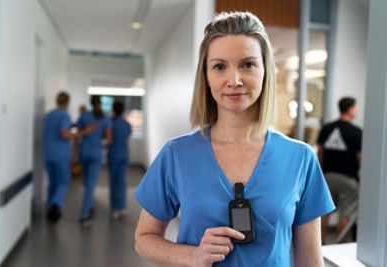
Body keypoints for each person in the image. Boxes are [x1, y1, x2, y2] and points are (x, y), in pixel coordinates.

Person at [134, 12, 335, 266]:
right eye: (219, 66)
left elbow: (309, 260)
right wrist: (193, 255)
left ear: (265, 71)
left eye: (248, 64)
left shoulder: (301, 159)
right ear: (206, 77)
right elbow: (144, 238)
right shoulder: (176, 155)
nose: (234, 80)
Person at [317, 97, 362, 243]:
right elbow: (359, 158)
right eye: (355, 107)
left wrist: (321, 174)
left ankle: (321, 245)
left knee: (324, 211)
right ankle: (339, 246)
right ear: (350, 109)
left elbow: (320, 153)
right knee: (347, 213)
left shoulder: (327, 128)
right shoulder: (356, 132)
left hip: (328, 176)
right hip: (348, 178)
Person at [43, 92, 78, 223]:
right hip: (60, 155)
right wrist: (78, 134)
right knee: (64, 181)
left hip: (48, 154)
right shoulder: (64, 115)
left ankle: (49, 209)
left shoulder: (49, 115)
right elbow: (64, 134)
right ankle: (56, 204)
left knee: (52, 183)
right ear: (67, 102)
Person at [77, 95, 112, 225]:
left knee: (86, 182)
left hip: (84, 151)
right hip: (96, 152)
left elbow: (78, 134)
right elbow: (108, 140)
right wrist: (100, 144)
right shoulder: (105, 119)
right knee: (90, 185)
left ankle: (90, 206)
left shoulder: (84, 116)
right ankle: (84, 215)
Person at [107, 101, 132, 219]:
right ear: (123, 110)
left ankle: (114, 207)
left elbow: (108, 140)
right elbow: (127, 138)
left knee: (113, 181)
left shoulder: (110, 123)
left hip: (113, 154)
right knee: (121, 181)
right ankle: (122, 207)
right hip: (124, 154)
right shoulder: (127, 124)